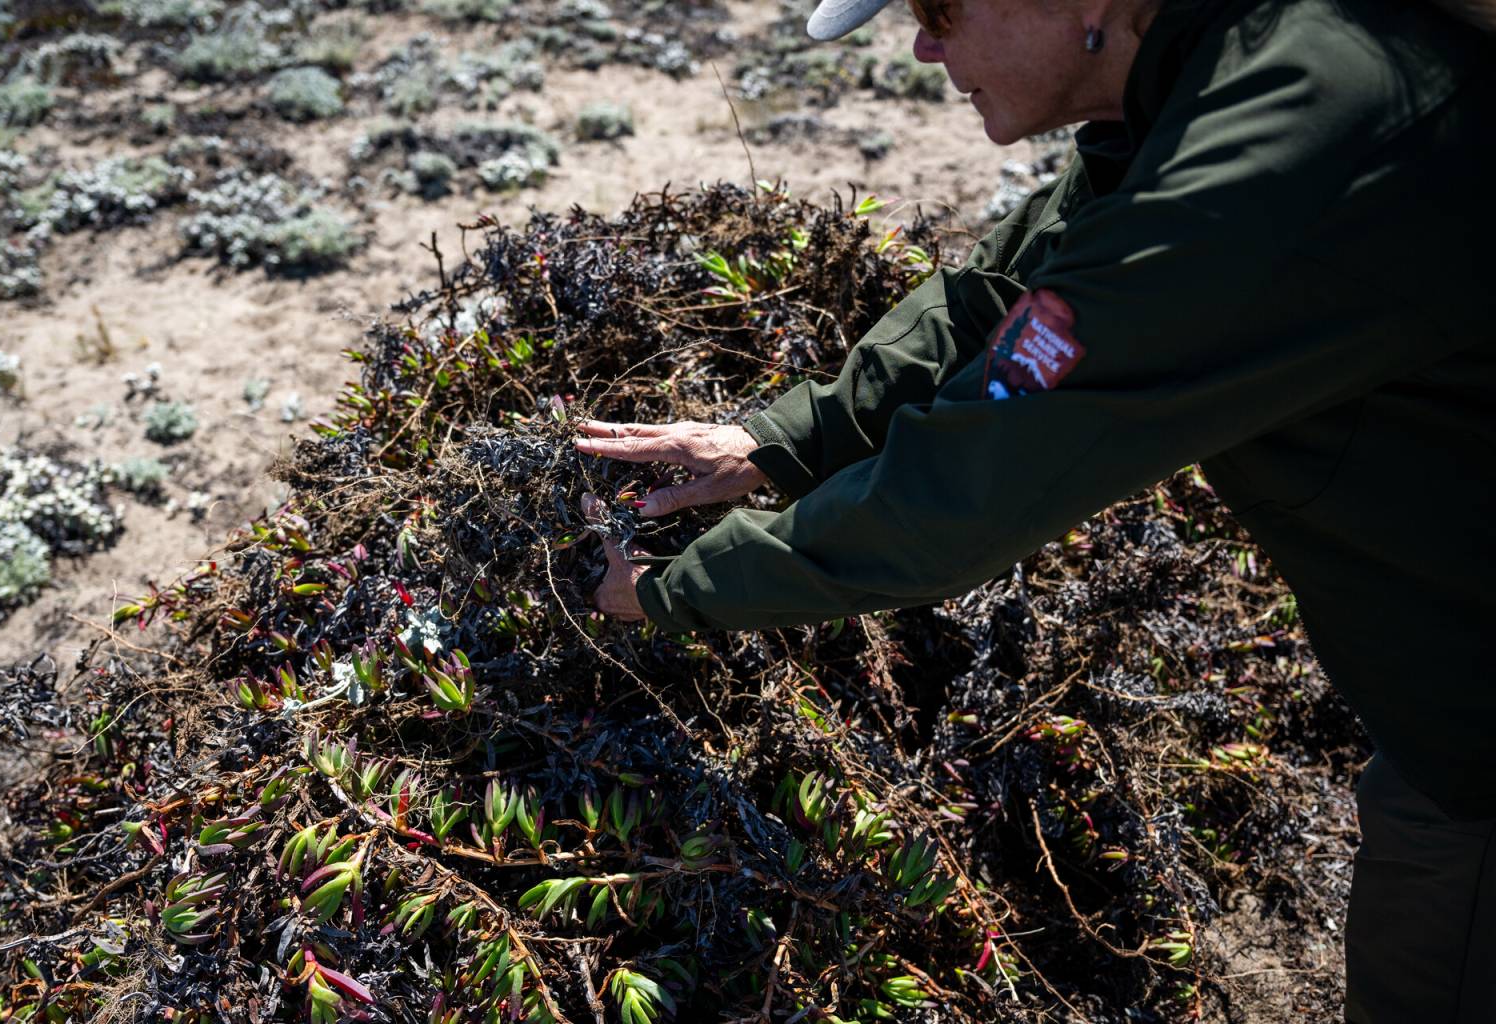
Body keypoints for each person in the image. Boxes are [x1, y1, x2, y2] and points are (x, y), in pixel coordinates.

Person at [573, 0, 1496, 1018]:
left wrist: (677, 590)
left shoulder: (1272, 164)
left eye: (938, 6)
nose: (923, 45)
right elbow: (1011, 298)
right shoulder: (1218, 71)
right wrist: (780, 440)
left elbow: (980, 481)